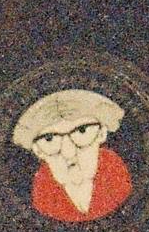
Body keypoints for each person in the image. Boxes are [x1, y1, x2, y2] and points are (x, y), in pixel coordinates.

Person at [10, 86, 130, 222]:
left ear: (102, 134)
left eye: (82, 131)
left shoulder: (117, 174)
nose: (69, 152)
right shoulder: (42, 194)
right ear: (37, 150)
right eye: (50, 139)